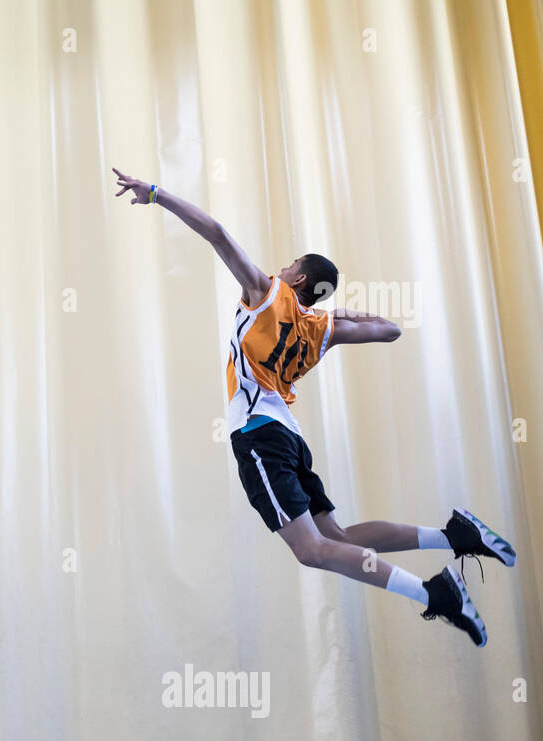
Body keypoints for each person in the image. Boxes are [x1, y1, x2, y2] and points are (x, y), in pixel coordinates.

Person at [112, 169, 516, 646]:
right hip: (290, 439)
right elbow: (390, 329)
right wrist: (333, 311)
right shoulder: (322, 330)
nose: (280, 268)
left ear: (297, 277)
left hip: (260, 434)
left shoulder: (266, 294)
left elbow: (217, 234)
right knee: (339, 540)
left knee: (311, 550)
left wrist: (156, 194)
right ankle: (454, 535)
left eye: (289, 264)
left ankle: (434, 593)